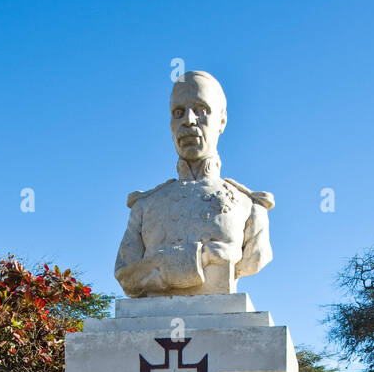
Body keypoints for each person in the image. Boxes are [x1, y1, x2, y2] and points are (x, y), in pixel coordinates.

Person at [115, 70, 273, 297]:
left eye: (201, 110)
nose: (188, 121)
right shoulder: (144, 206)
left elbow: (254, 260)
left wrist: (157, 267)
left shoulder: (250, 206)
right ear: (170, 125)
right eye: (178, 112)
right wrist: (202, 258)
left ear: (222, 120)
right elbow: (126, 275)